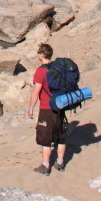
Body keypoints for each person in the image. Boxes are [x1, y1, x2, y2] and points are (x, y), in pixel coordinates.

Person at [27, 43, 66, 175]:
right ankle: (60, 162)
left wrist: (31, 108)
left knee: (46, 137)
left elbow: (36, 91)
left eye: (39, 52)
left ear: (41, 55)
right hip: (60, 105)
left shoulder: (41, 71)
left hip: (46, 107)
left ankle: (45, 165)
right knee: (60, 136)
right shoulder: (58, 68)